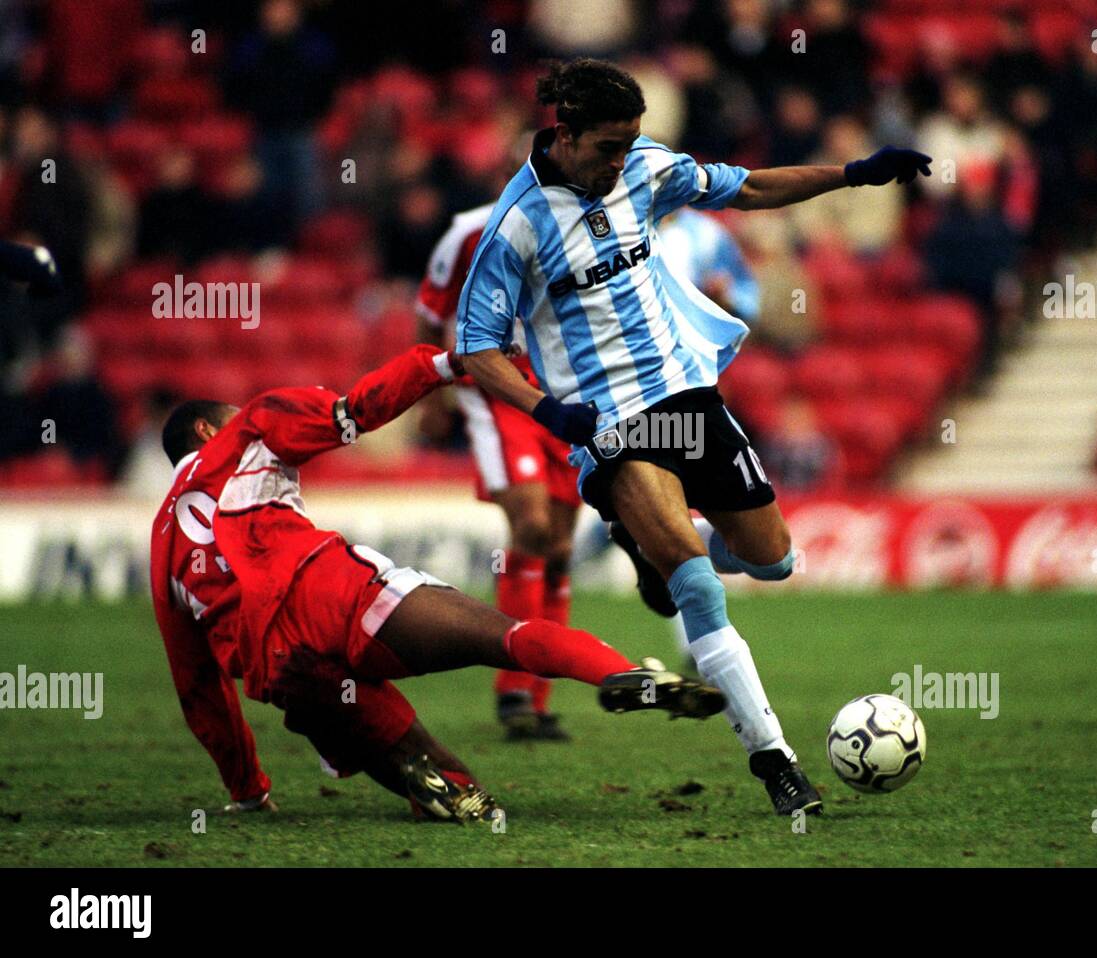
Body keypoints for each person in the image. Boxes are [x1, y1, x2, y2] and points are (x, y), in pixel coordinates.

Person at [457, 58, 930, 816]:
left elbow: (749, 187)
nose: (623, 160)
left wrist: (853, 173)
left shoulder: (644, 167)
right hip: (608, 425)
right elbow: (476, 345)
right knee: (699, 585)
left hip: (686, 397)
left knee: (772, 560)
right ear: (566, 133)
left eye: (631, 144)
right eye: (610, 146)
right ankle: (775, 760)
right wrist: (550, 413)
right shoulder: (516, 224)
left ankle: (648, 540)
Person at [149, 343, 725, 823]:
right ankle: (620, 674)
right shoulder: (250, 429)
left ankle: (424, 776)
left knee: (448, 784)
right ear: (206, 429)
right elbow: (360, 409)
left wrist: (247, 789)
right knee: (507, 637)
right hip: (335, 595)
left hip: (283, 667)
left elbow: (197, 686)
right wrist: (445, 363)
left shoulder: (161, 549)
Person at [416, 204, 584, 741]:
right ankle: (513, 685)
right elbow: (429, 309)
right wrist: (431, 387)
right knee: (531, 526)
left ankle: (537, 694)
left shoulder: (585, 225)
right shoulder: (468, 230)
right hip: (497, 390)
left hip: (566, 392)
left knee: (557, 549)